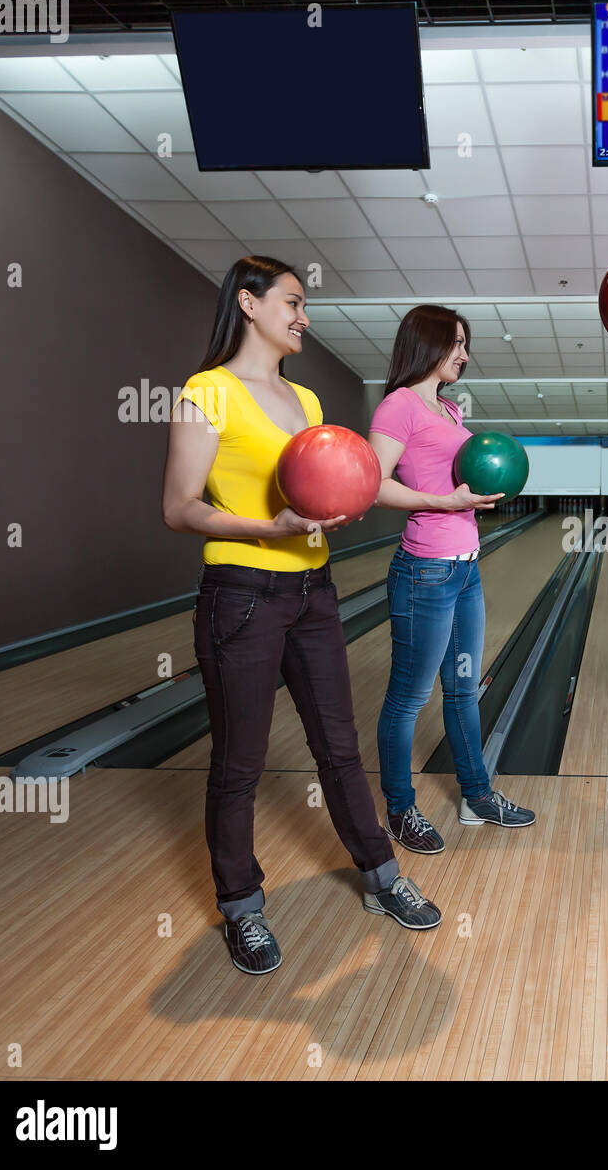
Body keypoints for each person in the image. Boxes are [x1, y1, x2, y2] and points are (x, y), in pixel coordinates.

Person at [163, 255, 440, 976]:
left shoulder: (309, 400)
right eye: (292, 302)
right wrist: (270, 528)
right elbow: (179, 507)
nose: (304, 316)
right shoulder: (208, 392)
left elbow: (315, 488)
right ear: (248, 304)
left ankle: (382, 875)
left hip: (314, 591)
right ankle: (242, 907)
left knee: (339, 747)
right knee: (240, 762)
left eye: (303, 304)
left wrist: (335, 508)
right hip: (241, 595)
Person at [369, 304, 536, 854]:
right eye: (456, 342)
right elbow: (374, 485)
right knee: (408, 698)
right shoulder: (399, 406)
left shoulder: (447, 409)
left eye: (466, 343)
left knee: (464, 688)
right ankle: (399, 810)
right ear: (427, 343)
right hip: (425, 573)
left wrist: (472, 500)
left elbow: (457, 480)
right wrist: (446, 502)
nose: (464, 354)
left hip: (465, 570)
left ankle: (477, 795)